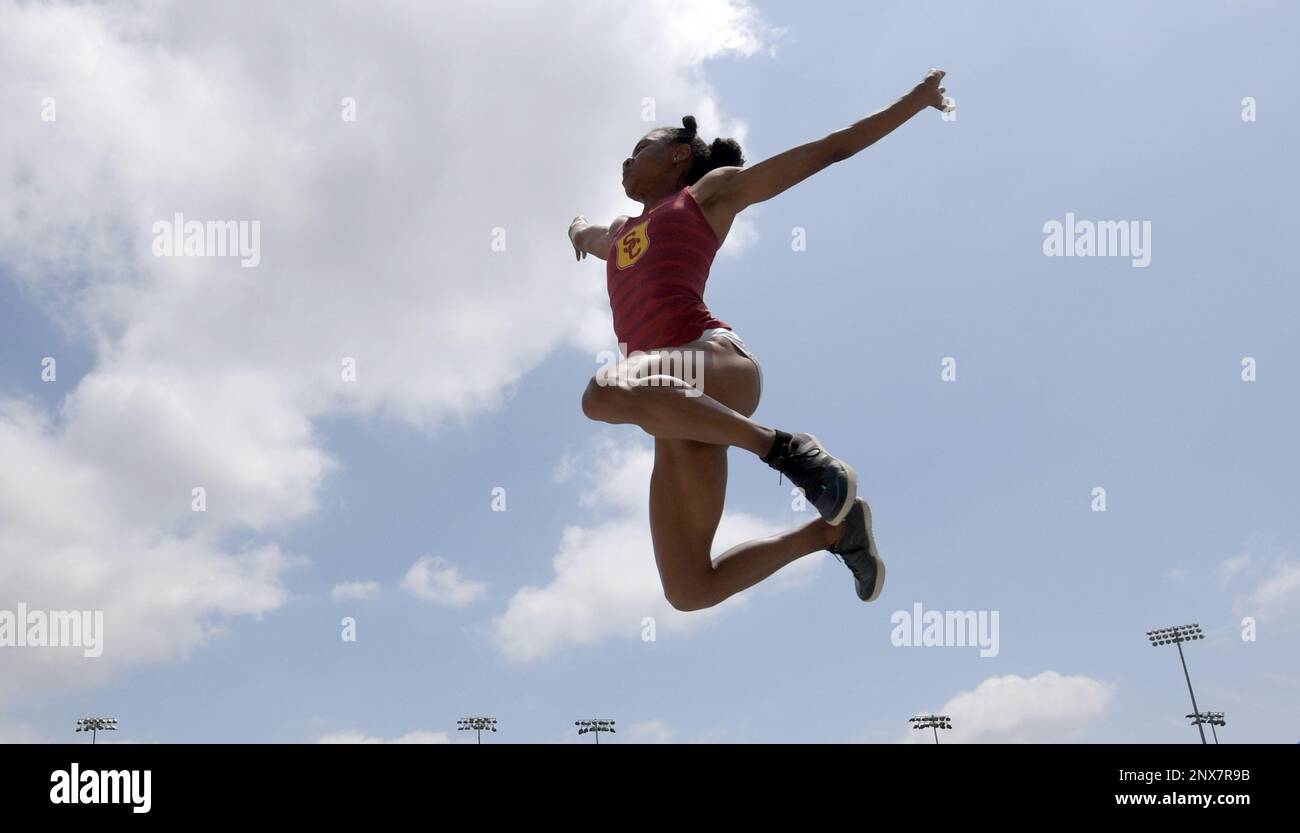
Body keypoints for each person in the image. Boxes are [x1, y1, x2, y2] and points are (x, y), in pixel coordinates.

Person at [567, 69, 950, 610]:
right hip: (676, 407)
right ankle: (832, 534)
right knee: (688, 589)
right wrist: (575, 227)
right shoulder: (618, 233)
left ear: (679, 154)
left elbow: (831, 149)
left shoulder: (709, 195)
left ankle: (788, 452)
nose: (626, 162)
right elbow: (584, 234)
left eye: (640, 150)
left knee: (601, 393)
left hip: (715, 363)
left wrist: (914, 102)